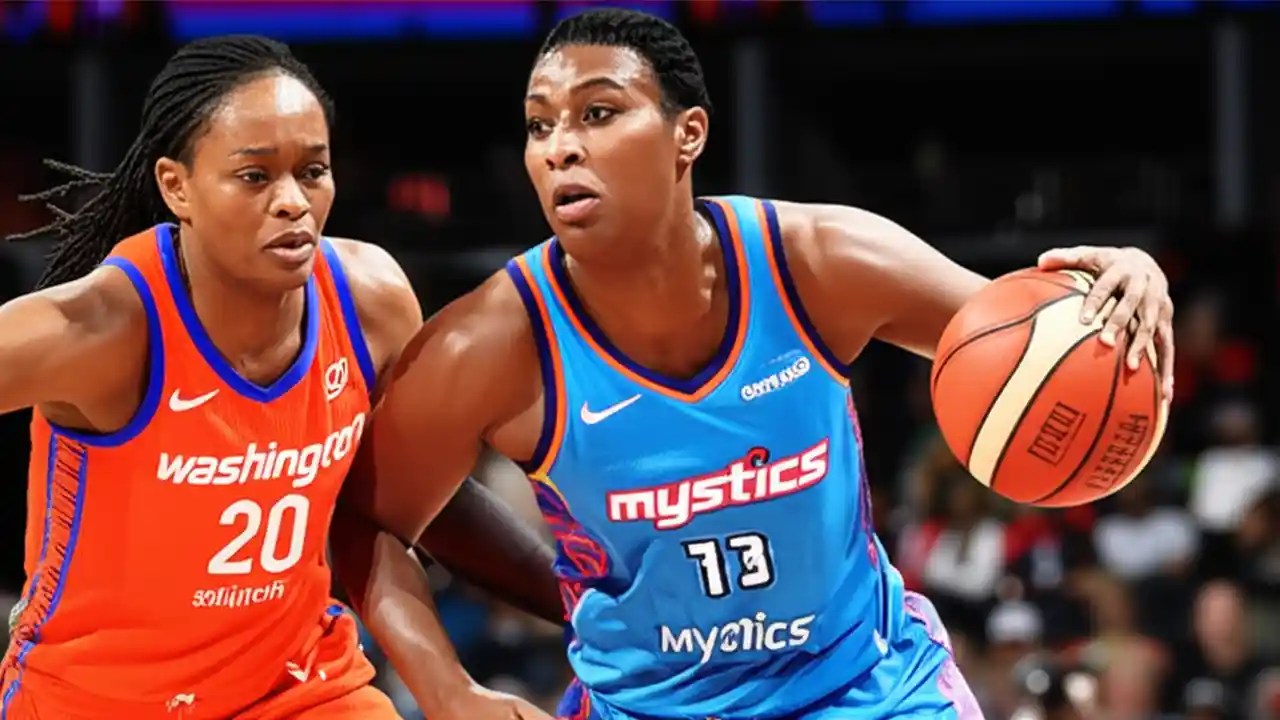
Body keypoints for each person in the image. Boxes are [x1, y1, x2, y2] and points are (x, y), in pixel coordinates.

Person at [346, 8, 1175, 720]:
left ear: (688, 134)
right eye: (539, 124)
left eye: (598, 113)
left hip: (868, 685)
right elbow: (365, 521)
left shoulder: (819, 261)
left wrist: (1116, 293)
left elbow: (1021, 348)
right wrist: (445, 688)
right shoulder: (493, 342)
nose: (561, 146)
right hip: (649, 703)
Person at [0, 35, 557, 720]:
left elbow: (412, 500)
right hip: (96, 701)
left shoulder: (370, 301)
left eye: (313, 171)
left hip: (300, 690)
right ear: (177, 186)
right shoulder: (104, 330)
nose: (293, 201)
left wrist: (582, 600)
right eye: (255, 176)